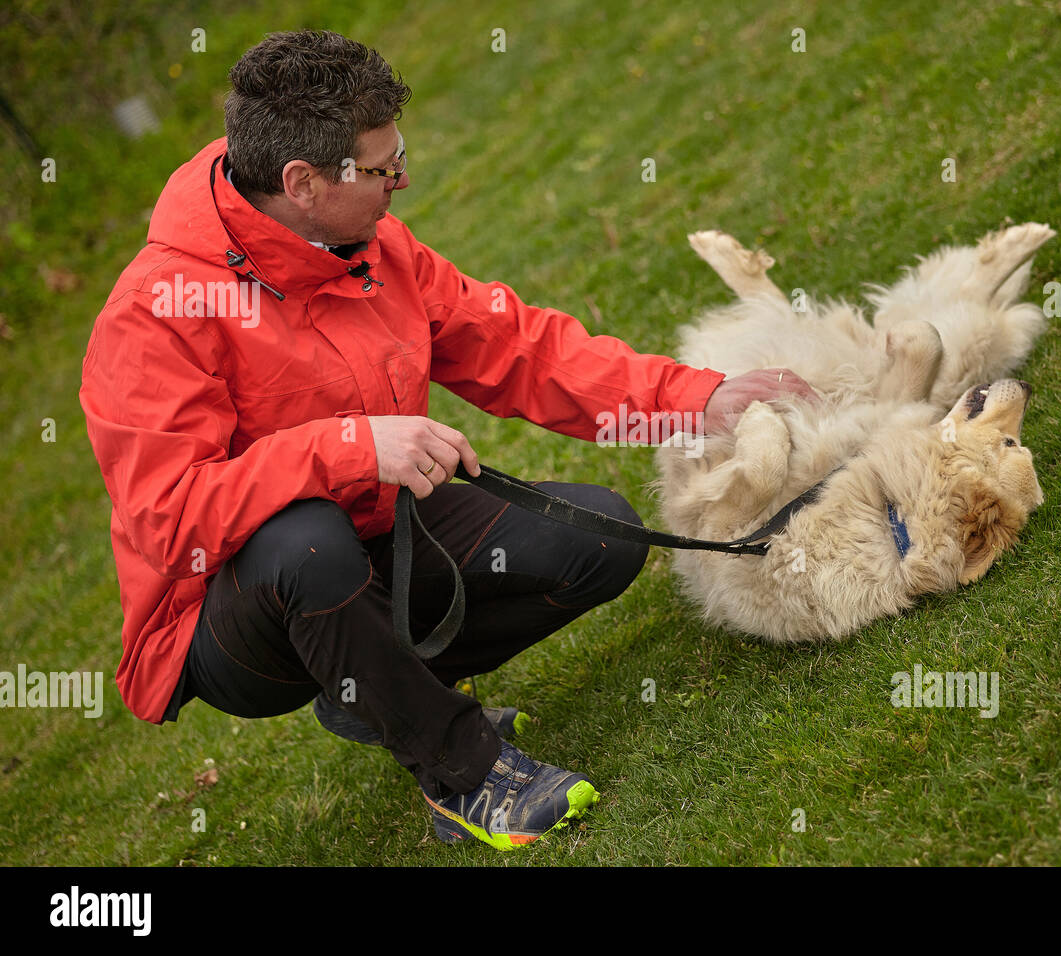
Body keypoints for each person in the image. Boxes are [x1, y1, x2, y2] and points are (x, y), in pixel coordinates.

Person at [79, 30, 814, 852]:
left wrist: (695, 397)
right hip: (236, 615)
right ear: (303, 183)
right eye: (385, 168)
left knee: (596, 542)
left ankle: (378, 685)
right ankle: (464, 772)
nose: (404, 180)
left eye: (401, 155)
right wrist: (351, 445)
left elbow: (519, 349)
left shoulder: (369, 244)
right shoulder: (154, 313)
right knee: (305, 542)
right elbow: (171, 522)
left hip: (375, 542)